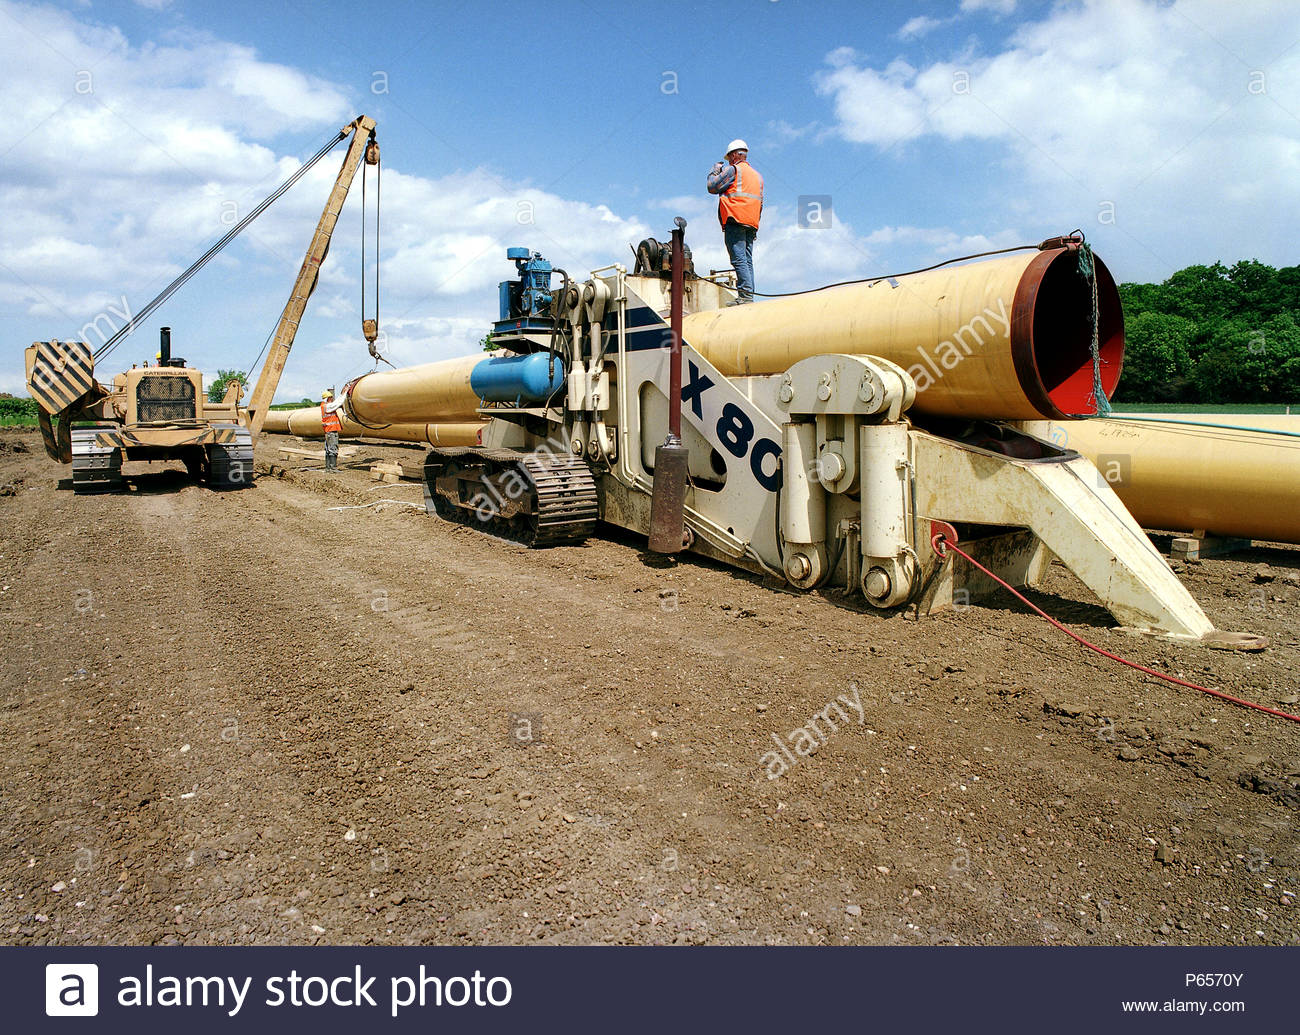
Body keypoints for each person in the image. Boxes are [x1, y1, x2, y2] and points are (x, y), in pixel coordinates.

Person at [707, 138, 764, 305]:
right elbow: (761, 203)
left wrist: (714, 171)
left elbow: (712, 186)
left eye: (729, 158)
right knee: (747, 260)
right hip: (751, 222)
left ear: (733, 155)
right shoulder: (757, 176)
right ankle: (749, 295)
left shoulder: (734, 170)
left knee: (739, 259)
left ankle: (745, 296)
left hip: (735, 218)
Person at [320, 388, 343, 471]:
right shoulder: (328, 406)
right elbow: (338, 403)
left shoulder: (324, 406)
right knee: (333, 448)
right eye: (331, 398)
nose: (332, 399)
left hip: (328, 431)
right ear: (327, 398)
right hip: (331, 431)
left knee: (328, 449)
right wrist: (344, 394)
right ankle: (333, 468)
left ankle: (328, 467)